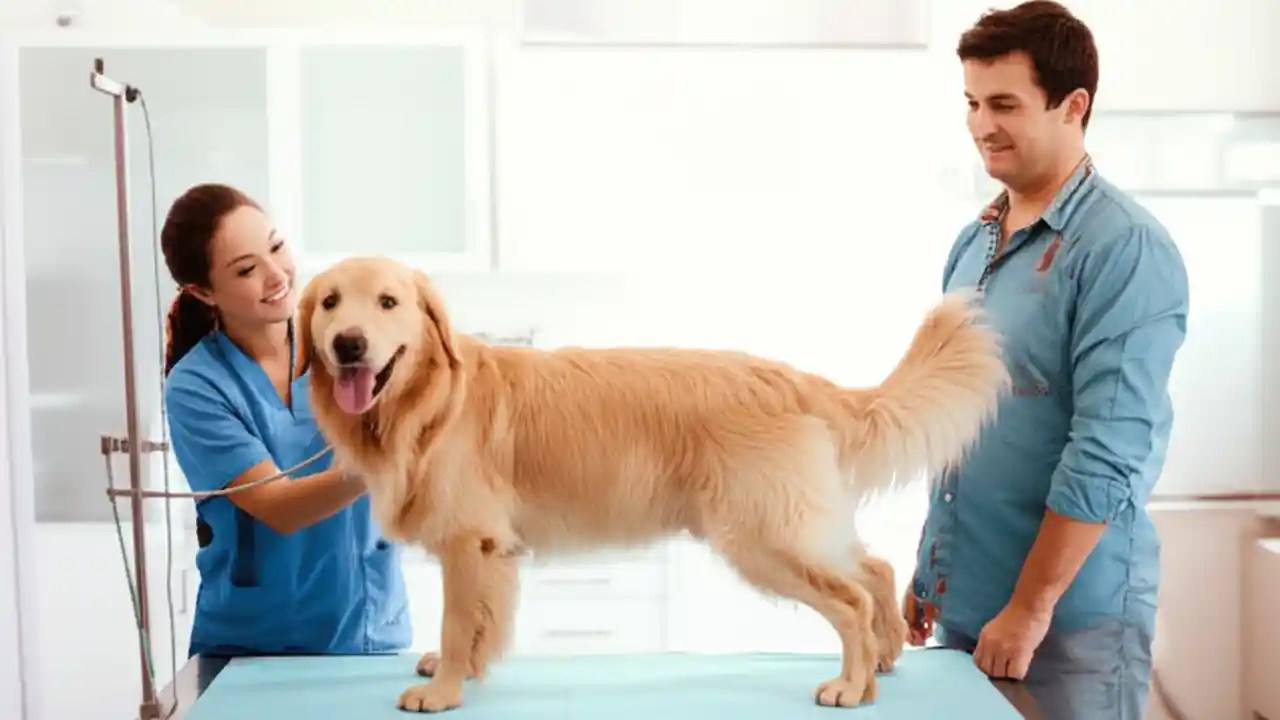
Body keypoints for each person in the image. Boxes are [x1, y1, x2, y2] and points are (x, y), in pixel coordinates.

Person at [902, 2, 1189, 718]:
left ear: (1073, 105)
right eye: (971, 102)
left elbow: (1107, 450)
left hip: (1067, 625)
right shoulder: (974, 246)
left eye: (1004, 104)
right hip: (967, 607)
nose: (979, 125)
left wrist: (1030, 609)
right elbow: (958, 424)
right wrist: (931, 571)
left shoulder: (1124, 248)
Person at [160, 182, 412, 656]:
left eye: (277, 247)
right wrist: (385, 457)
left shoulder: (343, 340)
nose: (277, 275)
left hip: (369, 632)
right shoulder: (198, 386)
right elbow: (281, 507)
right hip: (254, 648)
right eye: (247, 269)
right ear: (202, 291)